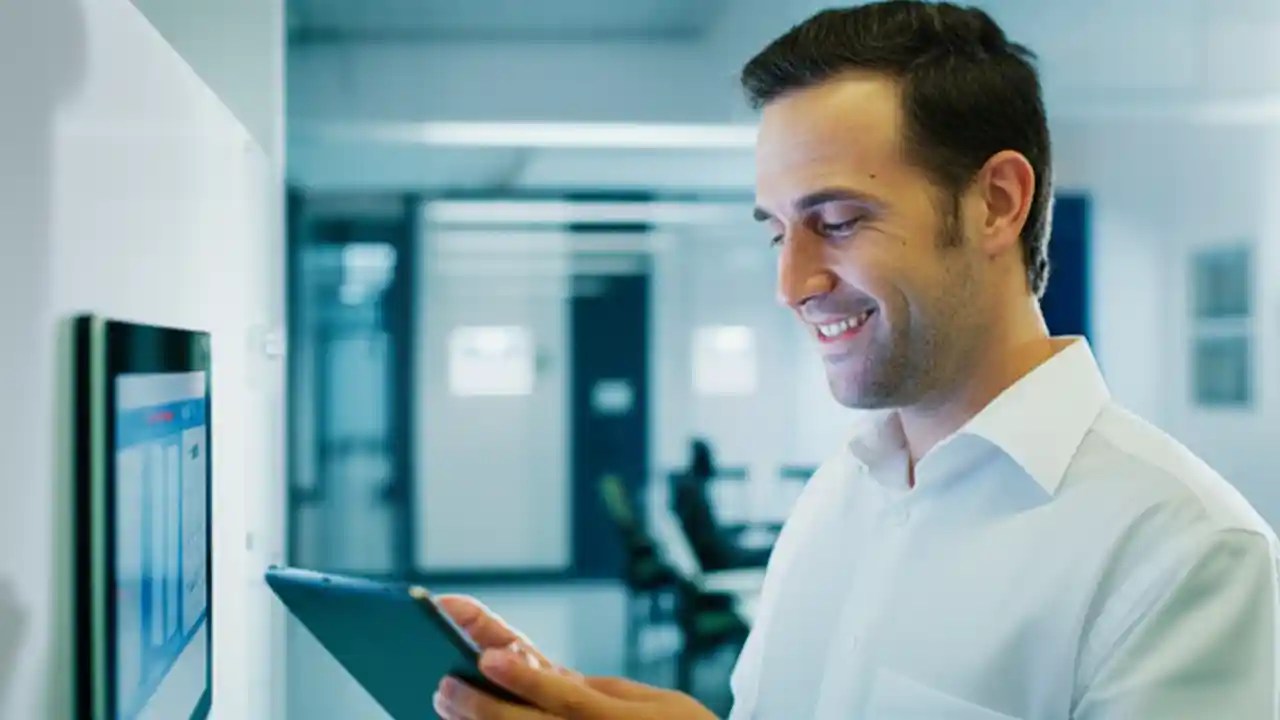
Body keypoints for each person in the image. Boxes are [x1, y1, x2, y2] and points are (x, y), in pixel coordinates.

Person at [427, 2, 1280, 718]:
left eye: (837, 222)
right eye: (776, 231)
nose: (792, 283)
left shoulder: (1183, 555)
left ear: (996, 203)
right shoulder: (840, 493)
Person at [671, 439, 772, 571]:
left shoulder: (690, 490)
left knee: (771, 552)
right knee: (775, 552)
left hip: (723, 554)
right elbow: (708, 542)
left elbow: (707, 534)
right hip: (723, 560)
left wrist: (731, 532)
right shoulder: (692, 493)